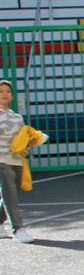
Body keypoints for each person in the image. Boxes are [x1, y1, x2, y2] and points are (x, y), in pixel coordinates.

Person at [0, 78, 43, 243]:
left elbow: (21, 140)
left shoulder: (17, 118)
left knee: (10, 193)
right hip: (1, 160)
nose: (4, 94)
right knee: (10, 193)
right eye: (1, 91)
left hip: (16, 160)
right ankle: (18, 229)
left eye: (7, 92)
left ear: (11, 96)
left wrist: (32, 141)